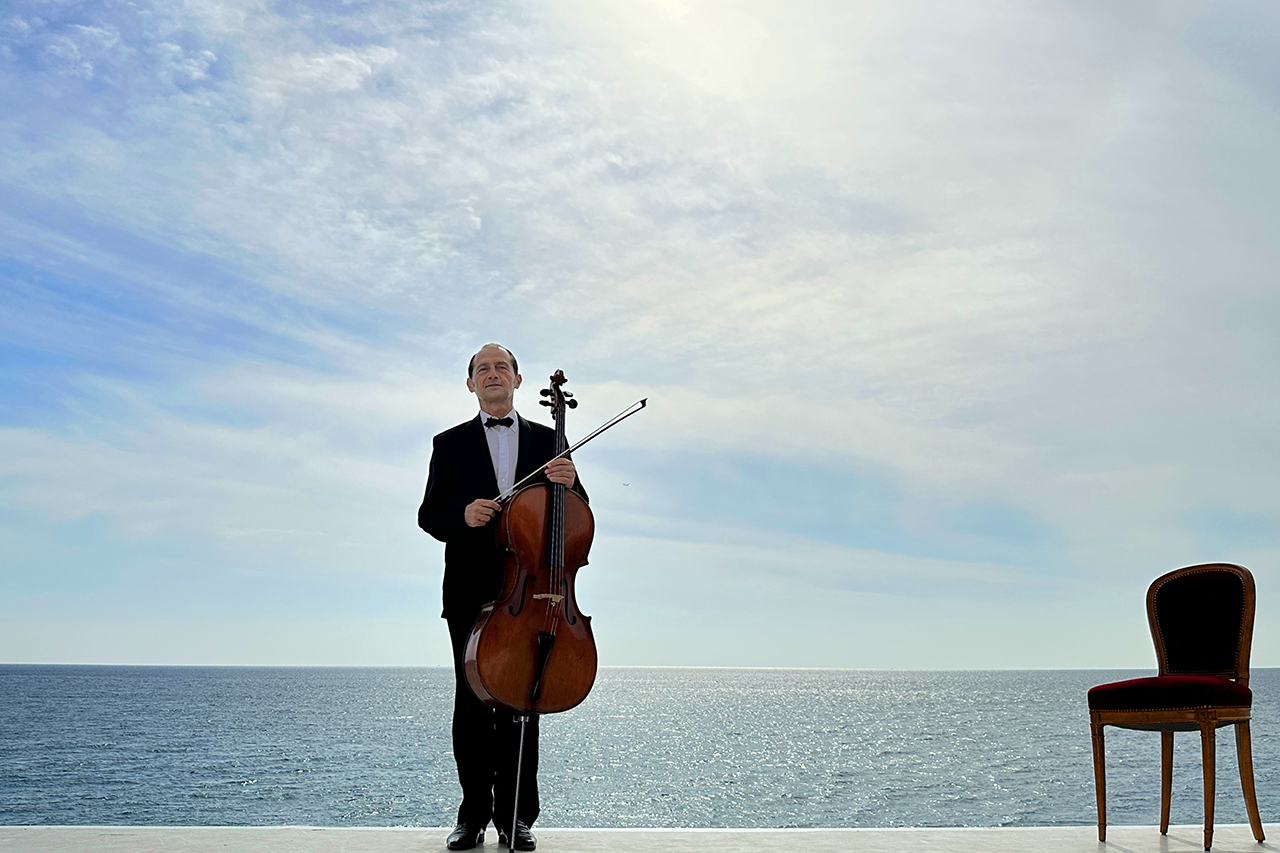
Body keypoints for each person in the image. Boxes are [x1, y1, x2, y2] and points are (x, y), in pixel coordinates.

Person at [418, 343, 583, 852]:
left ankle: (516, 818)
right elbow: (429, 515)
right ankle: (472, 817)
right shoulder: (448, 443)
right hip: (470, 592)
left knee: (522, 703)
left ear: (516, 378)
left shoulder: (550, 441)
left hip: (533, 593)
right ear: (471, 384)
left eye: (502, 367)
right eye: (483, 369)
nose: (493, 374)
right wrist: (462, 516)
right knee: (472, 703)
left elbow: (576, 514)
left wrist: (572, 483)